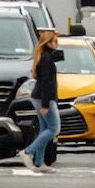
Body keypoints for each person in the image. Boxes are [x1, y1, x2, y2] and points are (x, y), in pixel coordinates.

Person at [19, 29, 62, 173]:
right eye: (55, 41)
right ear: (47, 43)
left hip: (39, 97)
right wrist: (45, 103)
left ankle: (39, 162)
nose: (57, 44)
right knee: (54, 128)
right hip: (44, 98)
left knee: (44, 129)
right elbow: (46, 82)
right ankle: (28, 152)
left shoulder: (44, 57)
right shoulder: (46, 59)